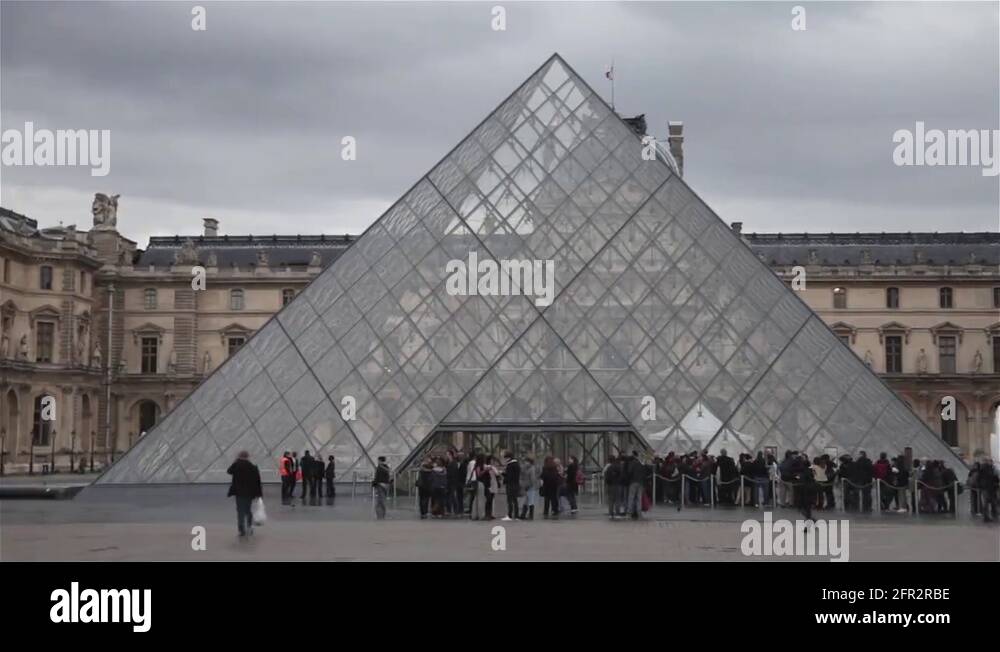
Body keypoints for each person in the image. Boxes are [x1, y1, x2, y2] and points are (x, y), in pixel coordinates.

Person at [227, 450, 263, 537]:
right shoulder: (253, 467)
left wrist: (235, 461)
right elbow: (258, 482)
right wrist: (259, 494)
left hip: (239, 493)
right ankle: (249, 526)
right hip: (249, 493)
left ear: (239, 456)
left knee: (240, 511)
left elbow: (229, 471)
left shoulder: (236, 466)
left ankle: (241, 530)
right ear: (248, 457)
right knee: (248, 510)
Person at [626, 451, 645, 519]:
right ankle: (639, 513)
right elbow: (644, 472)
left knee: (631, 498)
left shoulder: (632, 463)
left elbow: (629, 472)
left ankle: (629, 513)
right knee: (638, 498)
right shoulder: (640, 463)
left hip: (633, 482)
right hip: (640, 482)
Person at [502, 451, 521, 521]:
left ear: (508, 458)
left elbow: (509, 476)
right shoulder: (517, 464)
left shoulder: (510, 465)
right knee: (515, 500)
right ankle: (516, 515)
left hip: (510, 484)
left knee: (510, 500)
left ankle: (509, 515)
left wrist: (503, 474)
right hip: (516, 484)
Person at [519, 455, 538, 520]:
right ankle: (523, 514)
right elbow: (522, 476)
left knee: (530, 500)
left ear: (530, 462)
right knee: (526, 500)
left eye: (526, 462)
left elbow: (532, 478)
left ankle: (530, 515)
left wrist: (531, 485)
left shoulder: (532, 468)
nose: (525, 463)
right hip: (526, 486)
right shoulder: (525, 468)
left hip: (530, 486)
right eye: (525, 462)